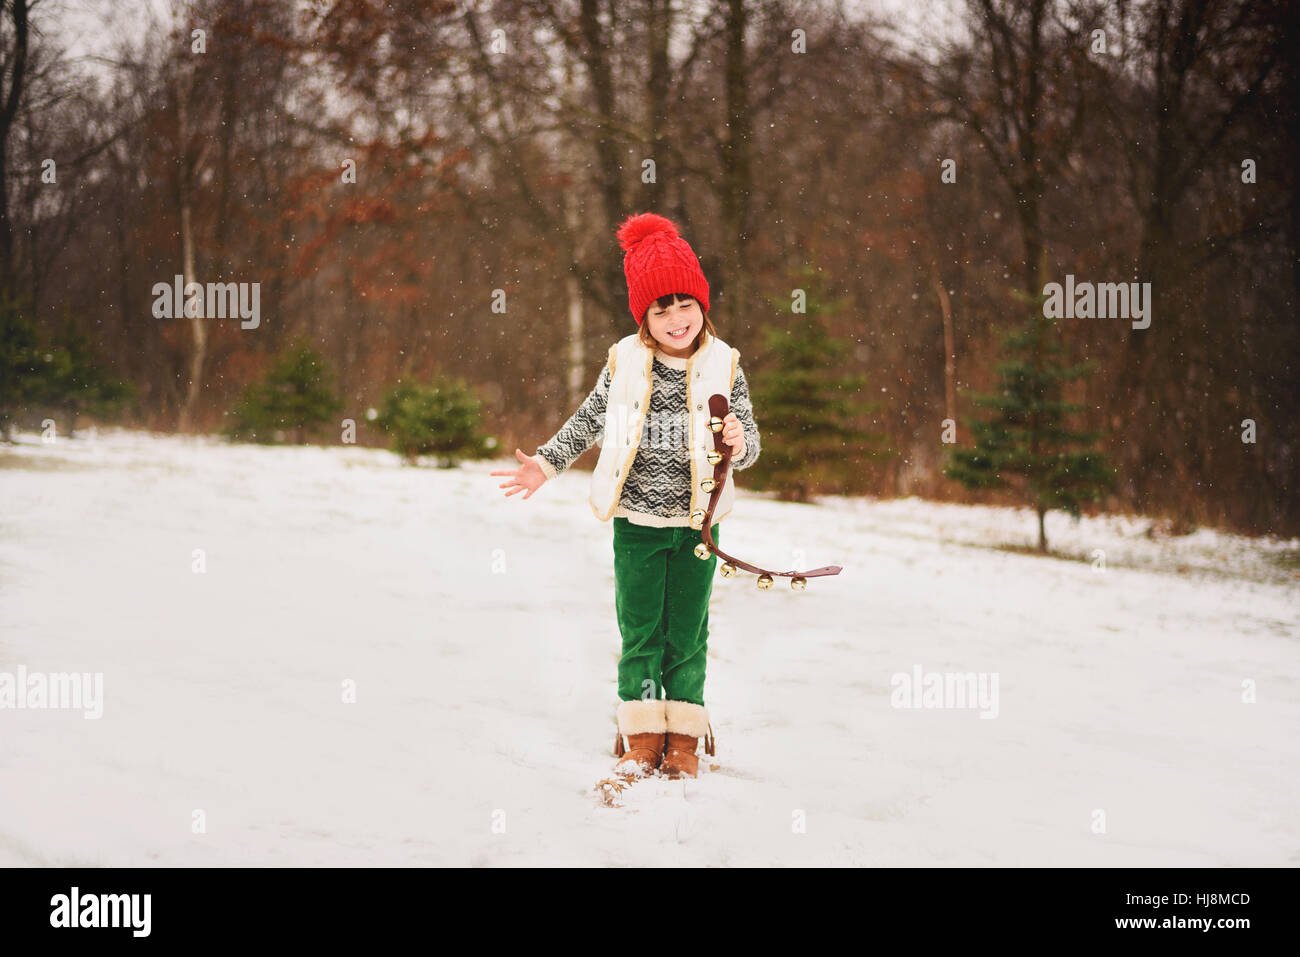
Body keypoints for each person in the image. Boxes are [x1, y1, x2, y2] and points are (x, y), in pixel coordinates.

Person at [490, 212, 760, 779]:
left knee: (687, 633)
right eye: (660, 309)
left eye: (685, 304)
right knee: (640, 632)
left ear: (702, 303)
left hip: (699, 526)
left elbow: (750, 441)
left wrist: (740, 437)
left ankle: (683, 736)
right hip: (637, 524)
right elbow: (591, 419)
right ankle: (641, 733)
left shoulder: (725, 364)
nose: (676, 318)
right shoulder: (626, 360)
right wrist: (546, 462)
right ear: (644, 316)